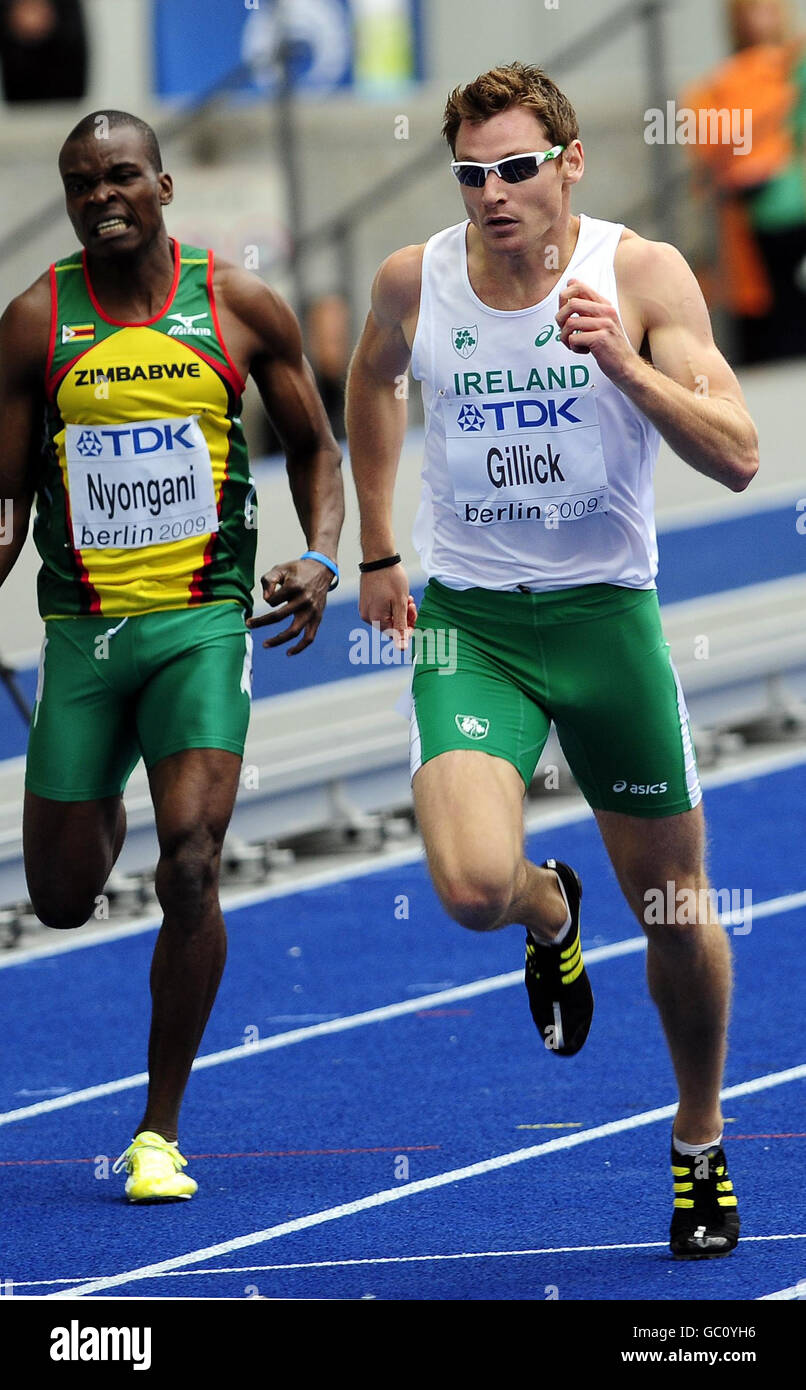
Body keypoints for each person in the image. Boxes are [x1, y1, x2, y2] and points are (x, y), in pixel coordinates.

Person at [346, 63, 758, 1259]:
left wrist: (624, 368)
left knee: (677, 912)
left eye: (516, 168)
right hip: (468, 625)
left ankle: (695, 1142)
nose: (491, 194)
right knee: (472, 887)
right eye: (470, 174)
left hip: (605, 621)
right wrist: (376, 546)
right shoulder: (410, 281)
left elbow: (737, 453)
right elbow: (369, 381)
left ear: (569, 163)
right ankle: (546, 908)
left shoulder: (636, 274)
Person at [0, 110, 344, 1201]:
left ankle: (158, 1130)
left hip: (203, 626)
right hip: (84, 636)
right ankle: (97, 786)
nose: (101, 196)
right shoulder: (31, 324)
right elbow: (4, 502)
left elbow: (317, 448)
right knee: (58, 897)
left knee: (190, 863)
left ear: (163, 186)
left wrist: (321, 558)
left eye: (119, 178)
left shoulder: (237, 307)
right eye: (79, 183)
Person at [683, 0, 806, 363]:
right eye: (752, 11)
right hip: (758, 211)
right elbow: (710, 150)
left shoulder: (792, 66)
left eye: (768, 10)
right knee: (771, 314)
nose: (760, 19)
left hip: (786, 203)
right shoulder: (721, 84)